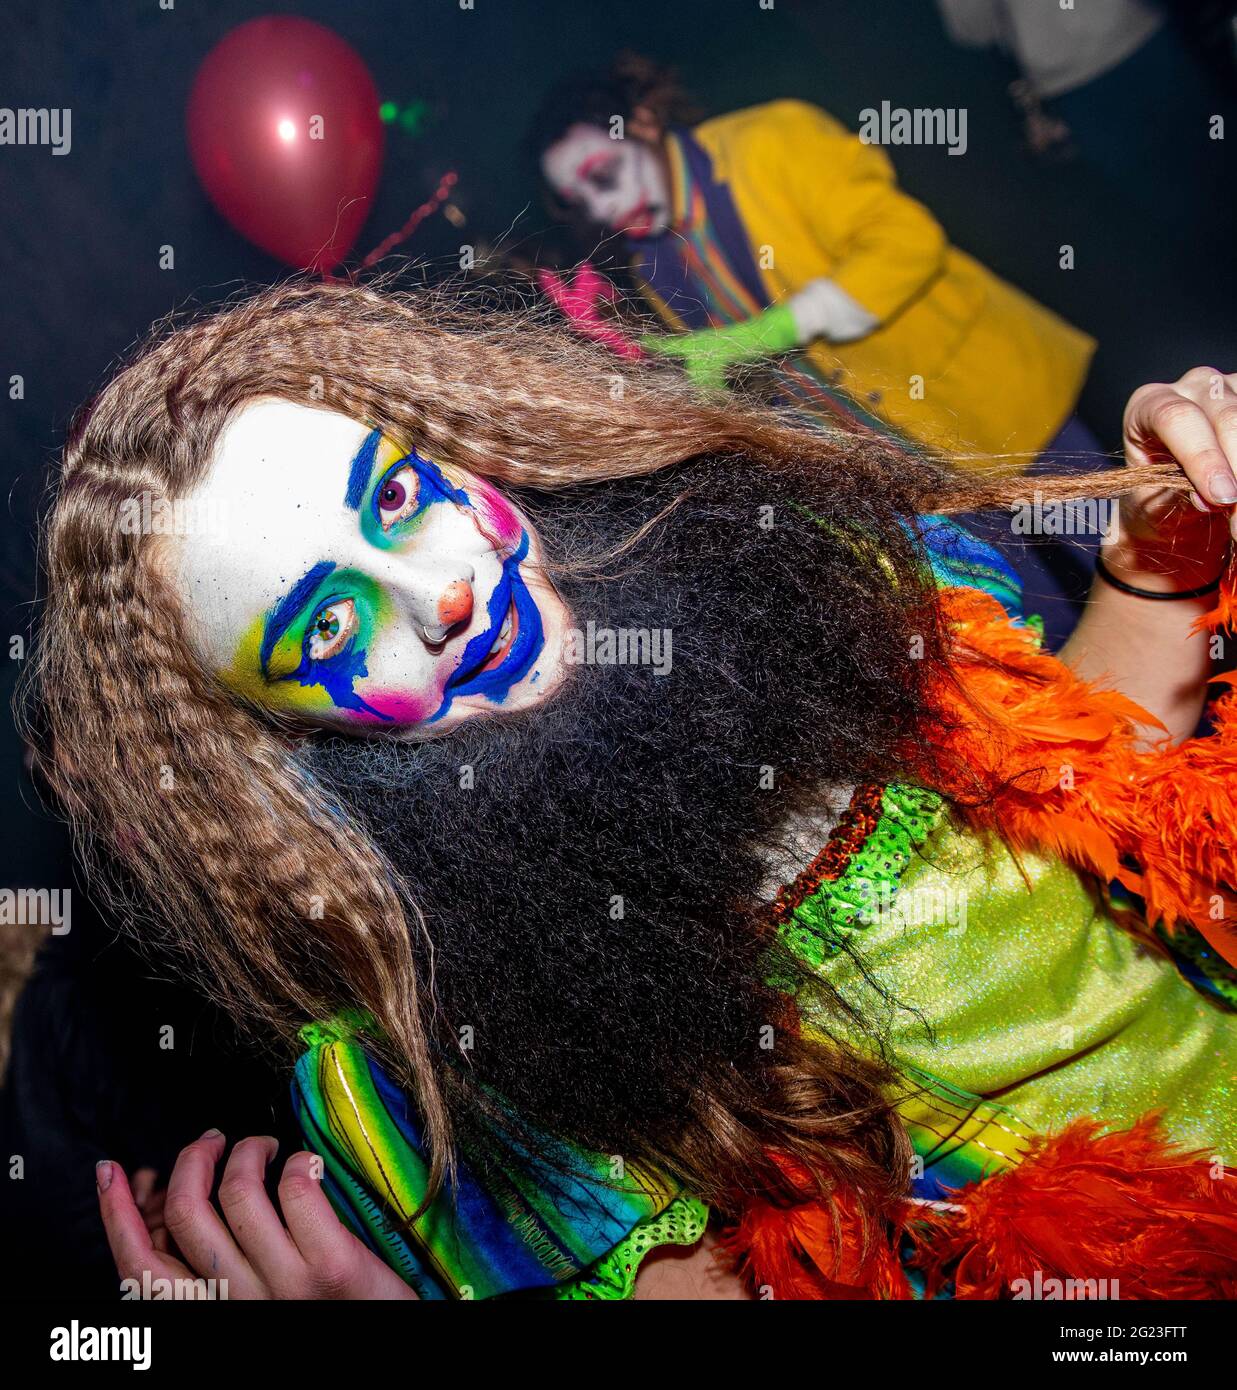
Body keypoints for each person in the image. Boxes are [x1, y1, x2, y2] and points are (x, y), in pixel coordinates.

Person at [22, 280, 1237, 1300]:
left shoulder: (797, 562)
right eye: (333, 620)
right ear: (285, 746)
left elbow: (1098, 775)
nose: (440, 595)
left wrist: (1157, 563)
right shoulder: (445, 1077)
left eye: (395, 499)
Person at [529, 59, 1110, 646]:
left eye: (603, 174)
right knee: (1035, 644)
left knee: (1138, 566)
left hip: (994, 405)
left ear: (645, 122)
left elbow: (907, 243)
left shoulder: (771, 138)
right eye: (581, 199)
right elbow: (746, 382)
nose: (602, 210)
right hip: (909, 485)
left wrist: (768, 331)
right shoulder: (651, 263)